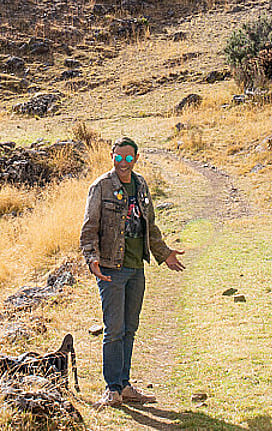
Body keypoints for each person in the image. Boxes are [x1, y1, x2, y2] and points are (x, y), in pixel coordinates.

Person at [79, 136, 185, 408]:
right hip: (111, 269)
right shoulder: (101, 187)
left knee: (130, 329)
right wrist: (91, 259)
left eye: (129, 158)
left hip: (137, 268)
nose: (123, 163)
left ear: (135, 159)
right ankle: (112, 389)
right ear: (112, 156)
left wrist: (165, 254)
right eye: (119, 157)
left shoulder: (141, 185)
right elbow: (90, 227)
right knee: (114, 329)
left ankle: (125, 386)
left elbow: (150, 226)